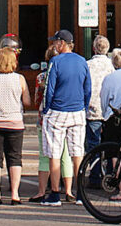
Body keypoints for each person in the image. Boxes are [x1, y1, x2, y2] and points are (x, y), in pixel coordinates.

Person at [37, 30, 90, 207]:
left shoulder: (56, 61)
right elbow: (88, 87)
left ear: (61, 43)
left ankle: (54, 193)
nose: (53, 45)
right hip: (77, 110)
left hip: (58, 110)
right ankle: (80, 192)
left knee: (54, 152)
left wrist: (46, 109)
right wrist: (83, 106)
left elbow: (49, 88)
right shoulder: (82, 61)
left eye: (55, 42)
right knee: (77, 152)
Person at [0, 46, 32, 204]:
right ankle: (15, 194)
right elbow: (27, 101)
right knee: (15, 157)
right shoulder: (19, 79)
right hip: (14, 122)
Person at [86, 35, 114, 152]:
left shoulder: (88, 65)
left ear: (94, 48)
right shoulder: (112, 65)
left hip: (93, 111)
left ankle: (95, 164)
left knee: (93, 145)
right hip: (109, 110)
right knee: (109, 144)